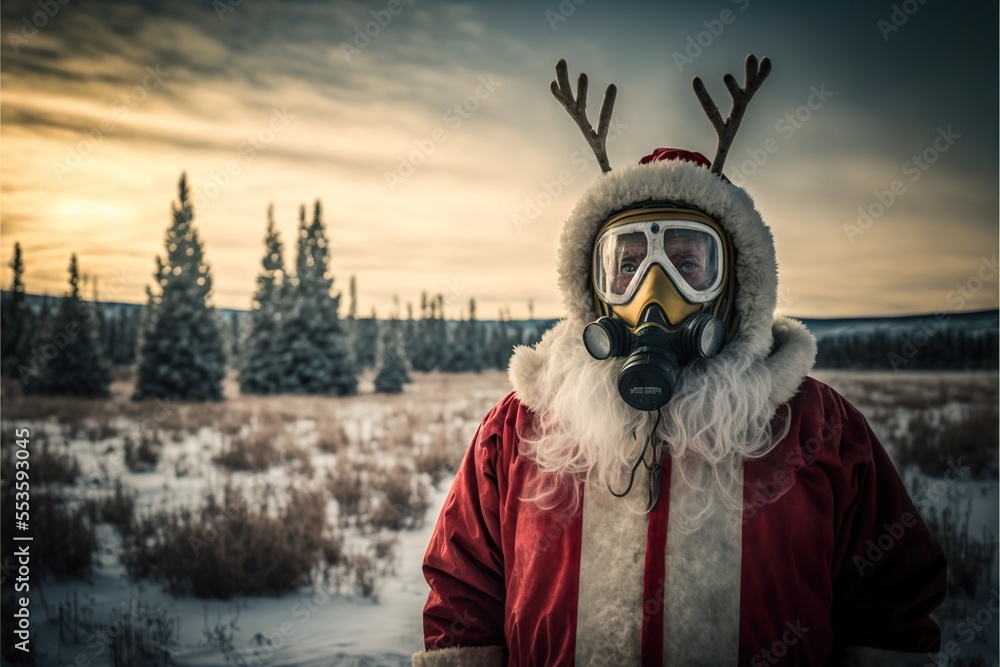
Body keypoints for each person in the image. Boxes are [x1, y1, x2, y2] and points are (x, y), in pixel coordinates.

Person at [412, 55, 946, 666]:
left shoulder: (817, 429)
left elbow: (891, 607)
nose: (653, 289)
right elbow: (462, 603)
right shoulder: (520, 432)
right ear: (592, 286)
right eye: (629, 263)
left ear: (733, 284)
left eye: (687, 263)